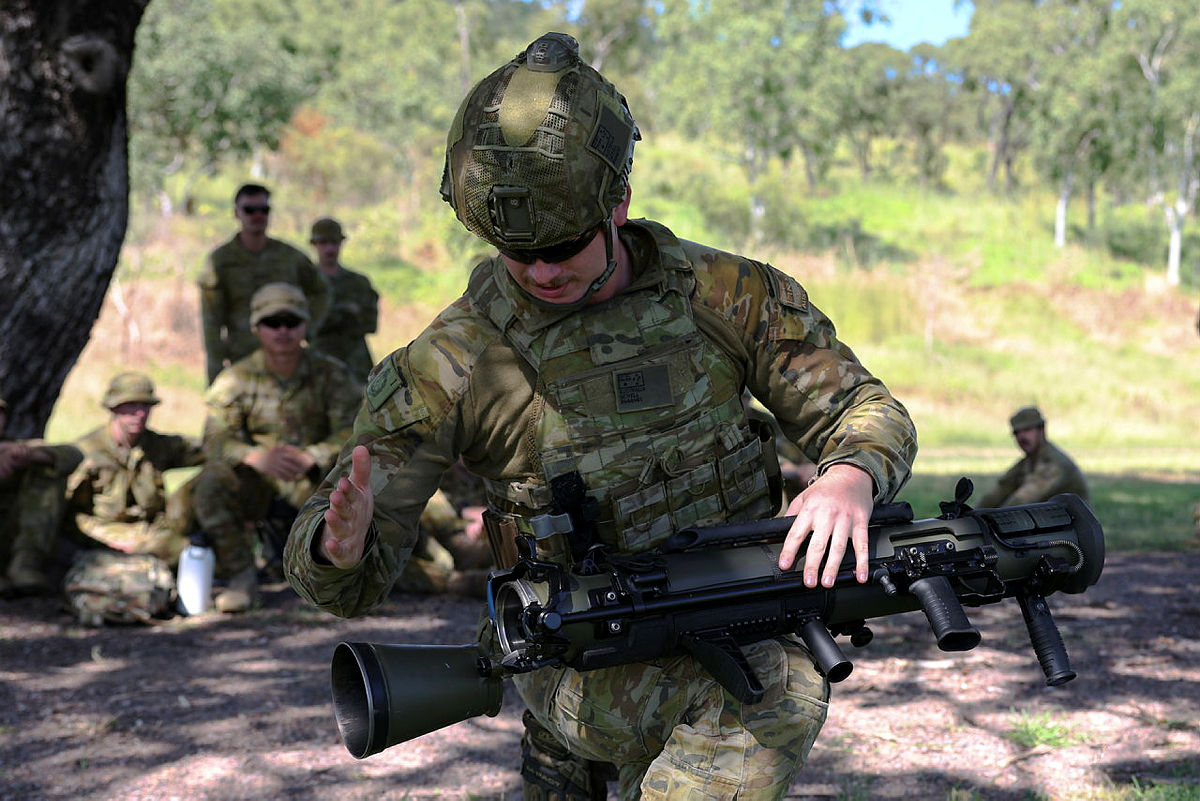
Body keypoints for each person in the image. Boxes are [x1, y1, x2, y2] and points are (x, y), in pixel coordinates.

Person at [285, 32, 916, 801]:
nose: (542, 270)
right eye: (515, 252)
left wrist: (850, 473)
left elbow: (863, 406)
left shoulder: (726, 295)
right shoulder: (453, 359)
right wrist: (338, 545)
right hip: (575, 666)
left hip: (725, 619)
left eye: (564, 243)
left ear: (618, 201)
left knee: (772, 683)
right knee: (774, 687)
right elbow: (339, 570)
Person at [194, 282, 361, 613]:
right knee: (211, 482)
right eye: (273, 322)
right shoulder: (237, 379)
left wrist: (313, 454)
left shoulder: (331, 373)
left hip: (314, 481)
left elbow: (354, 430)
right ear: (257, 328)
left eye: (291, 321)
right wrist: (252, 456)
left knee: (358, 486)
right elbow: (214, 439)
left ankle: (331, 578)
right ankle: (242, 575)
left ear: (305, 325)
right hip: (257, 482)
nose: (283, 331)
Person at [65, 372, 204, 566]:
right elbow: (70, 513)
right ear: (114, 408)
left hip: (151, 530)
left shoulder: (155, 445)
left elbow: (206, 450)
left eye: (145, 406)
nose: (139, 413)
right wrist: (107, 537)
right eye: (131, 406)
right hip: (104, 531)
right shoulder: (88, 453)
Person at [199, 183, 331, 385]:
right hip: (243, 357)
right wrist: (215, 369)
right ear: (237, 213)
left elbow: (321, 290)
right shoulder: (221, 262)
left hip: (287, 356)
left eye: (264, 210)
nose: (257, 216)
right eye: (249, 210)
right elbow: (211, 320)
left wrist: (307, 329)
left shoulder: (290, 257)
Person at [0, 393, 83, 595]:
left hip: (8, 533)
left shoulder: (14, 447)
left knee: (46, 471)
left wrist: (28, 456)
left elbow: (73, 455)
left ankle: (26, 563)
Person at [308, 217, 380, 386]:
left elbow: (370, 323)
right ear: (314, 244)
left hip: (357, 364)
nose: (329, 248)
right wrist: (346, 311)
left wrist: (329, 315)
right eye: (323, 242)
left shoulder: (358, 282)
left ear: (341, 243)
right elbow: (307, 328)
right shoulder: (307, 283)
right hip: (320, 363)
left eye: (334, 242)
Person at [978, 406, 1089, 508]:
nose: (1021, 437)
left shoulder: (1055, 464)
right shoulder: (1027, 462)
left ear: (1042, 430)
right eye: (1017, 433)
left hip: (1072, 526)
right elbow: (999, 492)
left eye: (1027, 430)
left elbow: (1023, 500)